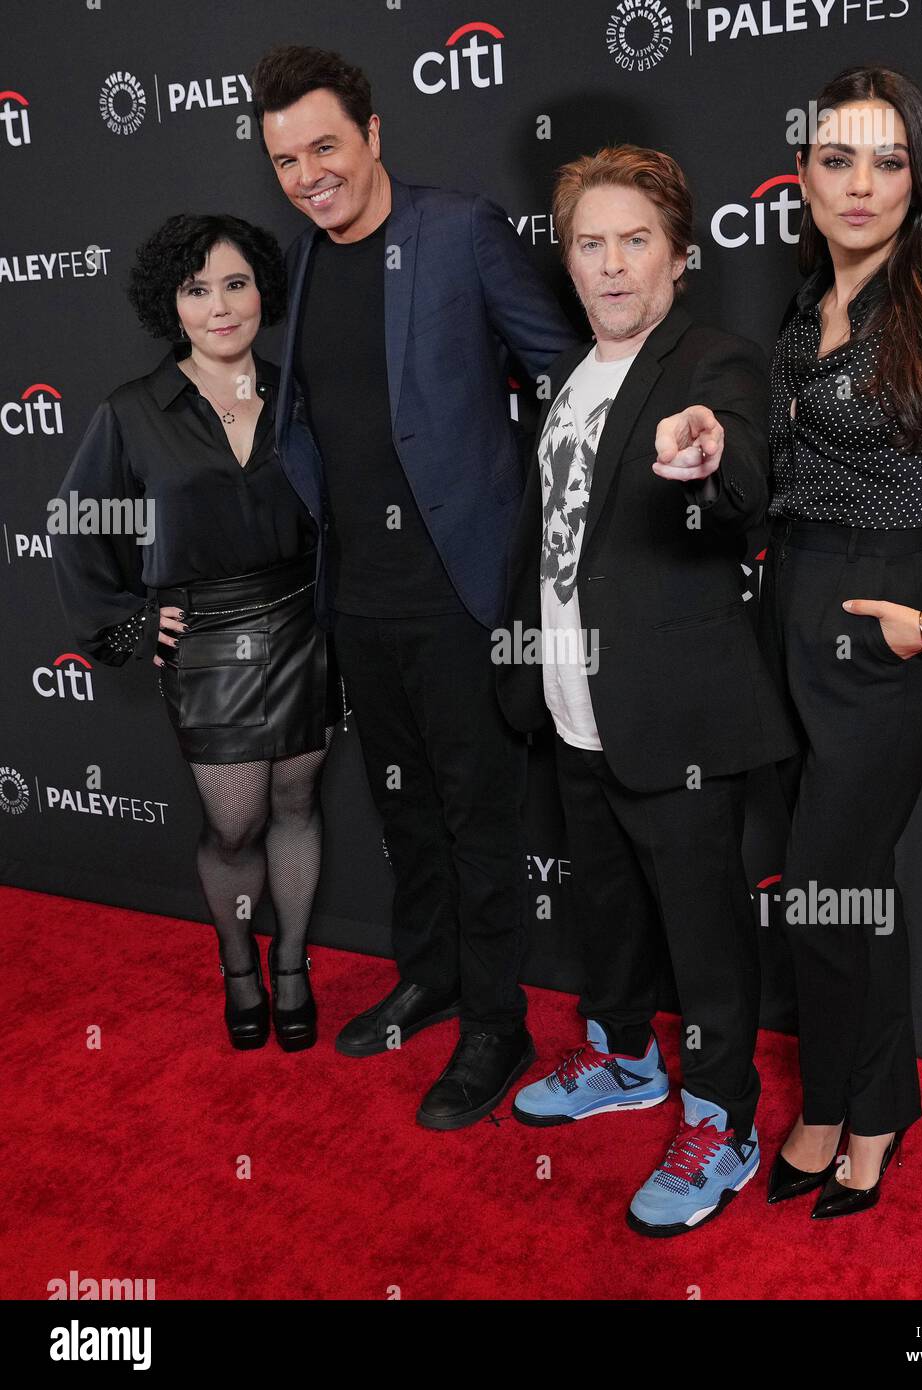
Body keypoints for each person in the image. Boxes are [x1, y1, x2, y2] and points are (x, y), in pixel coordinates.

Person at [662, 65, 922, 1218]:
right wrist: (710, 454)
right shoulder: (804, 306)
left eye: (888, 160)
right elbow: (781, 473)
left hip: (883, 614)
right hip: (786, 600)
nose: (860, 182)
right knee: (836, 889)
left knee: (834, 884)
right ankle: (853, 1098)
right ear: (801, 173)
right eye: (836, 158)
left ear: (917, 178)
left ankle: (853, 1108)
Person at [251, 44, 580, 1127]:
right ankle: (430, 975)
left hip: (460, 594)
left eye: (325, 147)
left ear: (374, 132)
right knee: (406, 813)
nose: (307, 174)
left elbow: (564, 379)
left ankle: (496, 1020)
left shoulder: (458, 232)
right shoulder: (298, 261)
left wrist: (533, 539)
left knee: (482, 821)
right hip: (356, 597)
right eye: (286, 159)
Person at [497, 146, 798, 1236]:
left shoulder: (713, 361)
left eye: (635, 241)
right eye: (590, 243)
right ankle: (623, 1057)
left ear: (679, 256)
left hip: (677, 715)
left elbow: (741, 463)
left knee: (705, 933)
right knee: (608, 913)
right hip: (579, 709)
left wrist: (709, 456)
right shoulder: (569, 377)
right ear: (567, 260)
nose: (613, 264)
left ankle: (721, 1115)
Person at [52, 214, 345, 1054]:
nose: (220, 307)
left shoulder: (300, 393)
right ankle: (239, 965)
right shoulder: (134, 410)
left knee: (298, 801)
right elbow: (77, 523)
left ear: (263, 292)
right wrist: (130, 621)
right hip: (207, 640)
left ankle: (289, 964)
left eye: (236, 284)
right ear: (170, 305)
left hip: (302, 623)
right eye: (196, 289)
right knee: (233, 828)